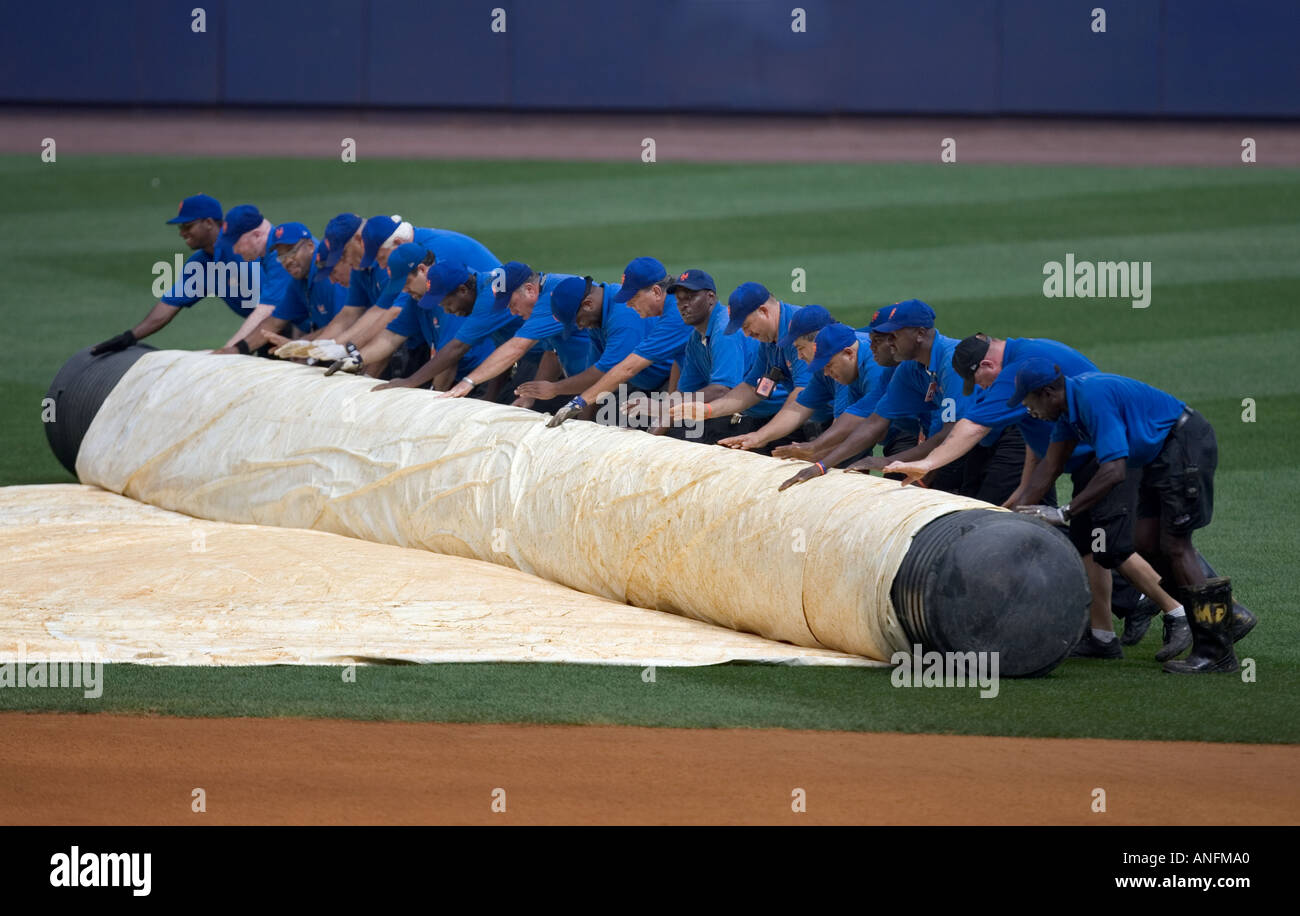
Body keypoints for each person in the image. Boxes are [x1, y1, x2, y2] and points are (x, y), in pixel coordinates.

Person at [884, 333, 1186, 659]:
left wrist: (926, 464)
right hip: (1091, 458)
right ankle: (1102, 636)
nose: (982, 388)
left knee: (1113, 545)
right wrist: (1023, 492)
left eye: (979, 380)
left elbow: (973, 427)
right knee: (1088, 545)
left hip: (1109, 458)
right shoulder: (1026, 376)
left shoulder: (1019, 371)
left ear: (987, 364)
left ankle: (1176, 610)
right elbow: (1036, 440)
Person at [1007, 359, 1256, 674]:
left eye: (1029, 402)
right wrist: (1017, 515)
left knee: (1177, 547)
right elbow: (1050, 467)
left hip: (1183, 446)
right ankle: (1225, 618)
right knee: (1144, 542)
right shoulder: (1068, 409)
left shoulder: (1090, 397)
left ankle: (1216, 653)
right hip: (1159, 454)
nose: (1030, 411)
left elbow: (1113, 470)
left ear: (1046, 393)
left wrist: (1063, 511)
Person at [665, 282, 821, 453]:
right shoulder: (768, 341)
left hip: (834, 421)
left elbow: (802, 395)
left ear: (763, 311)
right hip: (815, 420)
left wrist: (760, 436)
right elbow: (751, 387)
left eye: (746, 326)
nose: (747, 334)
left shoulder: (799, 328)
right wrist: (708, 410)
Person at [89, 194, 250, 354]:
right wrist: (129, 337)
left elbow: (269, 306)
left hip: (270, 326)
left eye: (187, 226)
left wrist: (235, 347)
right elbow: (168, 306)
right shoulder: (200, 264)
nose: (182, 233)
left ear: (208, 223)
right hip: (260, 332)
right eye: (180, 228)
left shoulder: (243, 250)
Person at [545, 257, 692, 428]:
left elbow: (627, 368)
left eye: (633, 297)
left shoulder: (674, 316)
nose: (628, 304)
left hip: (710, 393)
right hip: (668, 386)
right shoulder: (671, 309)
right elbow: (679, 362)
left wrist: (577, 401)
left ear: (656, 292)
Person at [434, 262, 591, 410]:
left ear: (529, 290)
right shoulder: (544, 294)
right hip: (587, 381)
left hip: (604, 380)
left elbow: (517, 347)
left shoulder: (555, 297)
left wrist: (468, 382)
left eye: (512, 304)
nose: (513, 312)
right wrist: (530, 397)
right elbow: (551, 353)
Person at [518, 275, 673, 424]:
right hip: (639, 382)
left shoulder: (623, 317)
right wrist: (581, 425)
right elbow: (594, 375)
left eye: (577, 320)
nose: (579, 326)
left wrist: (555, 389)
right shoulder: (597, 317)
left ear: (588, 304)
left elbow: (610, 372)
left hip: (670, 381)